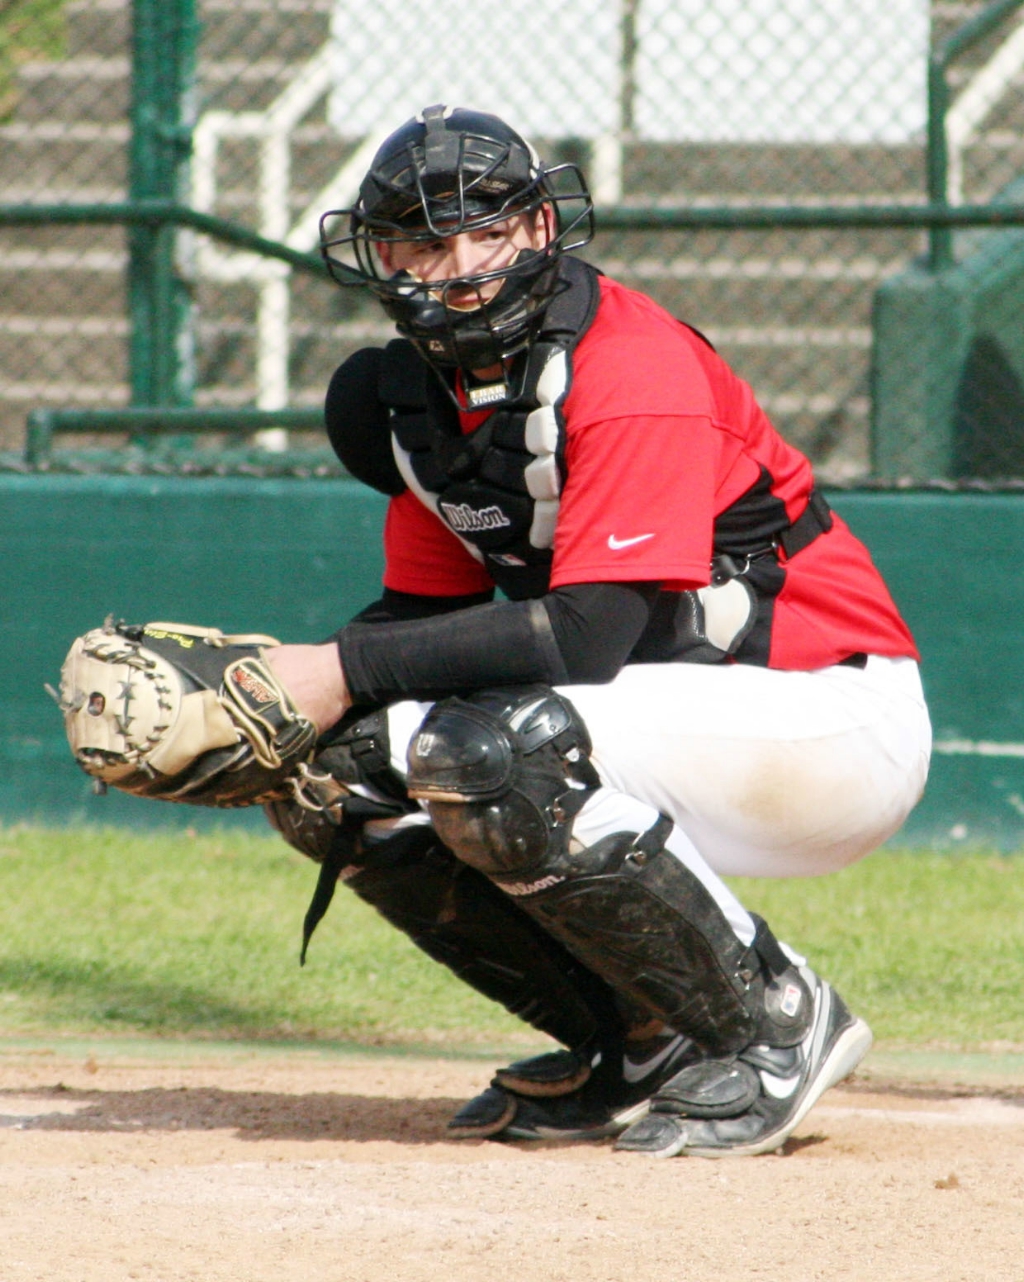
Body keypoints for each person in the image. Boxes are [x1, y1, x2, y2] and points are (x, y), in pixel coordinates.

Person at [262, 103, 931, 1158]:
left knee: (492, 746)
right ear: (381, 256)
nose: (465, 265)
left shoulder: (628, 363)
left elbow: (586, 638)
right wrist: (255, 706)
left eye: (490, 228)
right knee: (332, 772)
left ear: (540, 229)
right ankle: (639, 1035)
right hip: (663, 713)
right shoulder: (421, 403)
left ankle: (776, 1019)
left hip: (831, 714)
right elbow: (421, 628)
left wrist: (335, 668)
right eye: (429, 241)